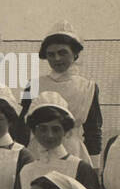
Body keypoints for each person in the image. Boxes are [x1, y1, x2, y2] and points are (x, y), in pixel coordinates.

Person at [8, 97, 102, 189]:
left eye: (56, 129)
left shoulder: (80, 169)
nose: (49, 135)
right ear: (34, 131)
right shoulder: (27, 171)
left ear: (66, 132)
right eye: (43, 129)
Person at [19, 21, 102, 160]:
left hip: (72, 153)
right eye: (51, 54)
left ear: (75, 54)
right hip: (38, 152)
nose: (56, 58)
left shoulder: (88, 87)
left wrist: (95, 165)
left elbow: (93, 131)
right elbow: (21, 127)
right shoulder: (33, 85)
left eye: (62, 53)